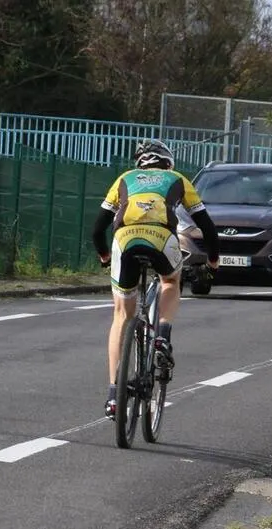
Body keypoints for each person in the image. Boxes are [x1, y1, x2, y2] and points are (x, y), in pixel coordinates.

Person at [90, 139, 220, 419]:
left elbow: (97, 228)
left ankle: (114, 396)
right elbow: (207, 227)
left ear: (140, 164)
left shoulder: (124, 179)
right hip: (162, 239)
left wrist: (104, 257)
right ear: (168, 162)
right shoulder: (178, 179)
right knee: (171, 281)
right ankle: (162, 334)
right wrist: (212, 261)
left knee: (120, 317)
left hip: (125, 241)